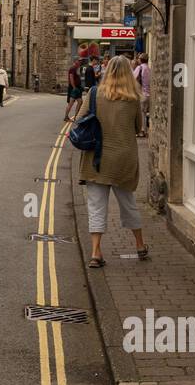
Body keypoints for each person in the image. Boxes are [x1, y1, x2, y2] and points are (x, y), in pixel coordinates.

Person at [74, 53, 149, 268]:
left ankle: (96, 253)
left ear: (107, 72)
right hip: (123, 159)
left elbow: (79, 120)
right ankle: (140, 245)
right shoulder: (133, 99)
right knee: (129, 204)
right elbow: (138, 128)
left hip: (96, 159)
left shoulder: (95, 93)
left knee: (96, 207)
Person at [133, 53, 151, 136]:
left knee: (141, 113)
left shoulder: (139, 68)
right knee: (145, 112)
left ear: (140, 60)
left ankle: (142, 130)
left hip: (141, 93)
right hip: (148, 94)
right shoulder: (149, 68)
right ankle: (145, 130)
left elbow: (133, 78)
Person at [64, 56, 83, 123]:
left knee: (80, 102)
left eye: (80, 61)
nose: (80, 62)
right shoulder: (73, 68)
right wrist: (74, 87)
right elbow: (71, 78)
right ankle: (66, 117)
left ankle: (76, 116)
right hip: (73, 88)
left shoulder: (77, 68)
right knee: (71, 103)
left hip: (77, 87)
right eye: (79, 60)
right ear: (75, 61)